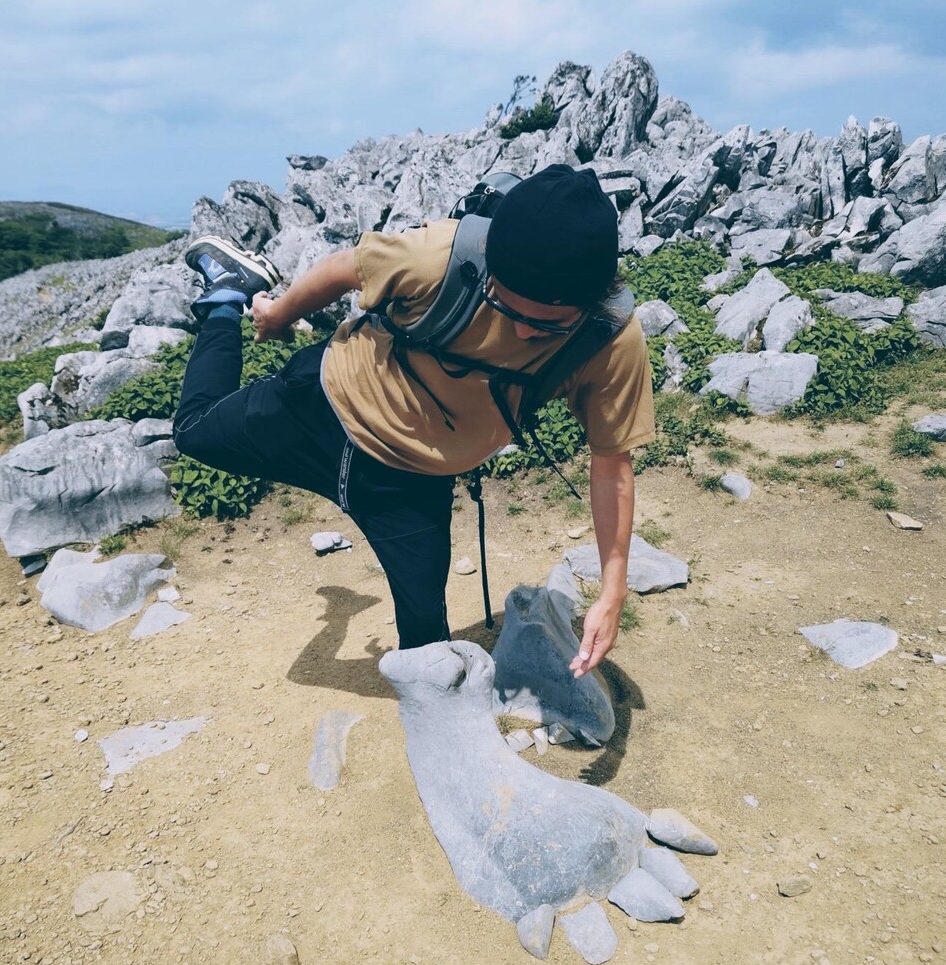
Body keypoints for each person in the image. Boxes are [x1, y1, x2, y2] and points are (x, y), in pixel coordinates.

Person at [172, 164, 653, 677]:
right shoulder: (440, 256)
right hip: (324, 407)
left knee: (427, 647)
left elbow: (612, 465)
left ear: (589, 304)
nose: (519, 331)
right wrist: (275, 316)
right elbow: (344, 269)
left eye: (545, 324)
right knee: (193, 433)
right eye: (503, 305)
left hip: (412, 483)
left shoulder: (608, 341)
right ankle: (225, 298)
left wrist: (612, 592)